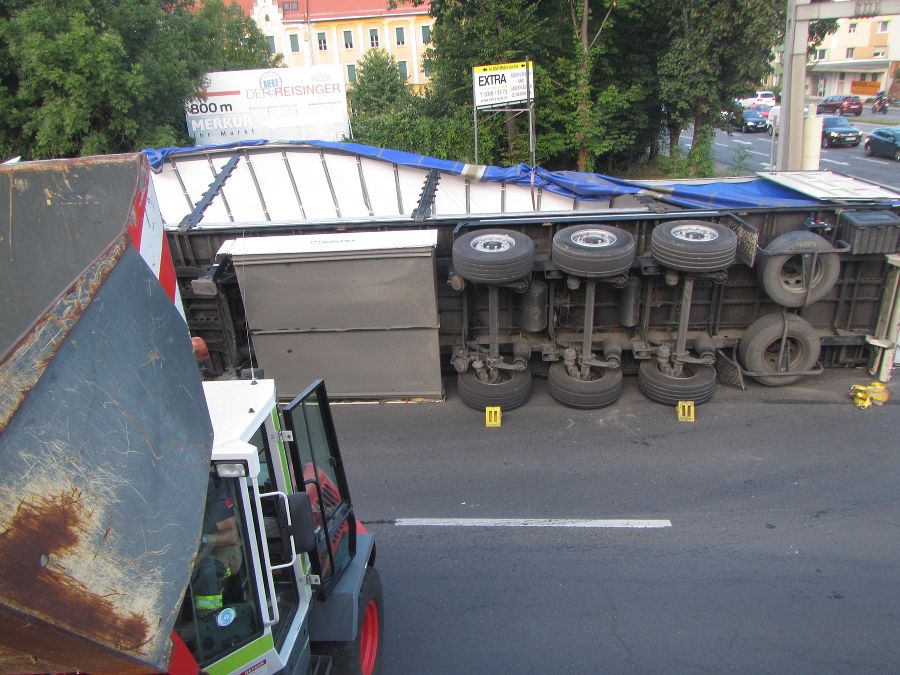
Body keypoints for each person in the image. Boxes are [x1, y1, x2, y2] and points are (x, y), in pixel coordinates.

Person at [192, 475, 243, 614]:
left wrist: (202, 539)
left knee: (206, 570)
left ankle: (209, 618)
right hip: (194, 551)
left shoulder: (214, 489)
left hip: (224, 555)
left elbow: (232, 535)